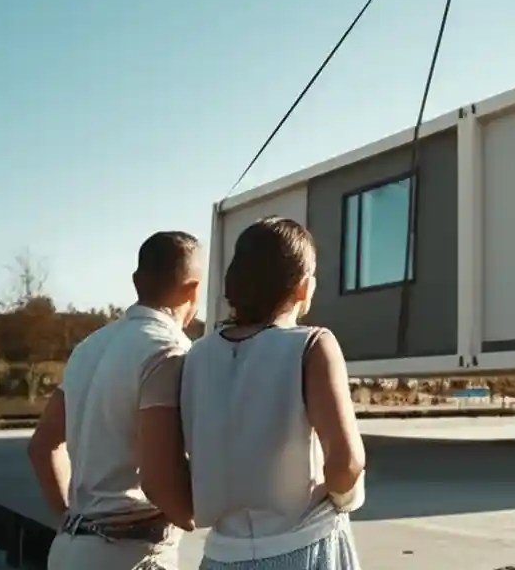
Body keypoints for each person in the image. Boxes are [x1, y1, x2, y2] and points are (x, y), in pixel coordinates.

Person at [181, 216, 366, 569]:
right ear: (302, 286)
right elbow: (347, 463)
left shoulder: (197, 354)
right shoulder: (313, 344)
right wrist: (345, 498)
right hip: (302, 544)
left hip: (222, 553)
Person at [28, 231, 201, 570]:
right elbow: (158, 482)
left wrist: (71, 518)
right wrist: (202, 519)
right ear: (193, 289)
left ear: (137, 282)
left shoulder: (88, 348)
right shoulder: (169, 350)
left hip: (68, 549)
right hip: (133, 554)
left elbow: (42, 445)